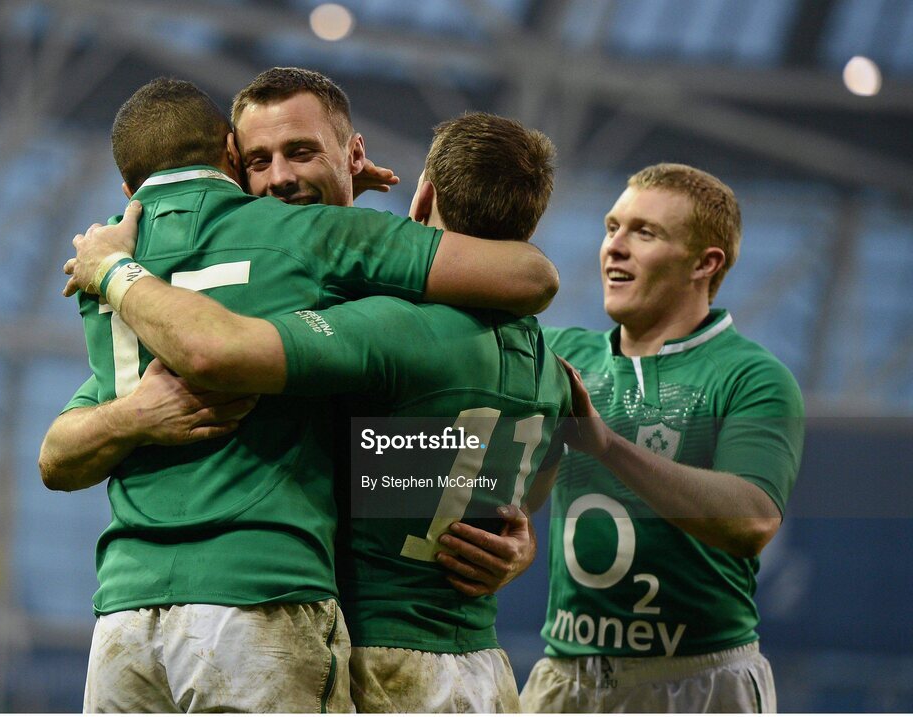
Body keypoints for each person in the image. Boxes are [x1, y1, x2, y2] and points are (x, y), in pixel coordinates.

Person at [41, 76, 558, 713]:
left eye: (302, 153)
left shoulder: (347, 293)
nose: (280, 177)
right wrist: (131, 416)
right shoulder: (296, 278)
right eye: (260, 160)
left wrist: (509, 529)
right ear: (230, 163)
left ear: (353, 154)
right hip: (309, 622)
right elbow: (60, 450)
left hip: (328, 639)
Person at [512, 163, 805, 712]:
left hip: (701, 679)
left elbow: (752, 519)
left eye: (644, 233)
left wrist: (607, 445)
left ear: (705, 263)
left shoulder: (753, 377)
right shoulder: (558, 355)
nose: (614, 247)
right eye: (612, 226)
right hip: (564, 674)